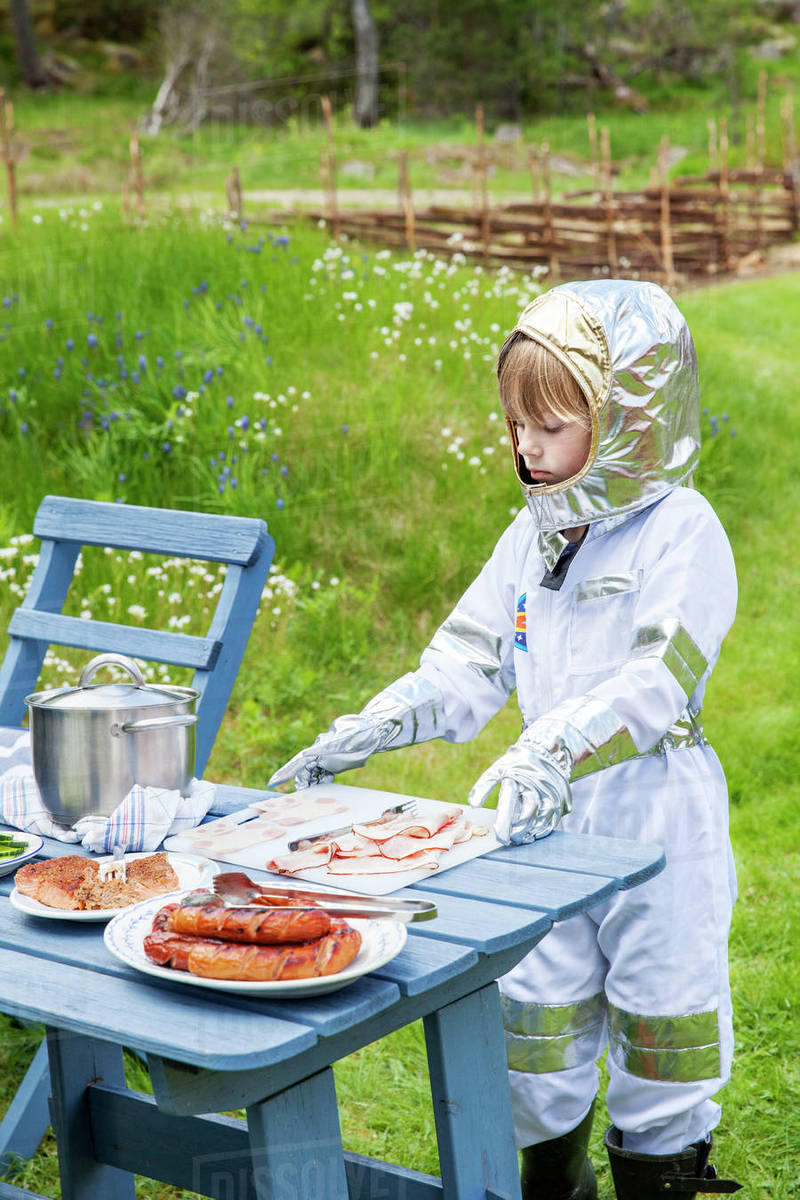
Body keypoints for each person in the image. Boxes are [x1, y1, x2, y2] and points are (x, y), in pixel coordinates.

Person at [269, 279, 741, 1199]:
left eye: (551, 424)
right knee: (537, 1029)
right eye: (516, 421)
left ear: (628, 421)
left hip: (656, 821)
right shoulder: (529, 540)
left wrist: (555, 746)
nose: (526, 446)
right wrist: (371, 727)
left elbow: (660, 677)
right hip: (543, 827)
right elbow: (466, 663)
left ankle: (663, 1168)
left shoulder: (682, 532)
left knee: (664, 1024)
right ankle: (551, 1176)